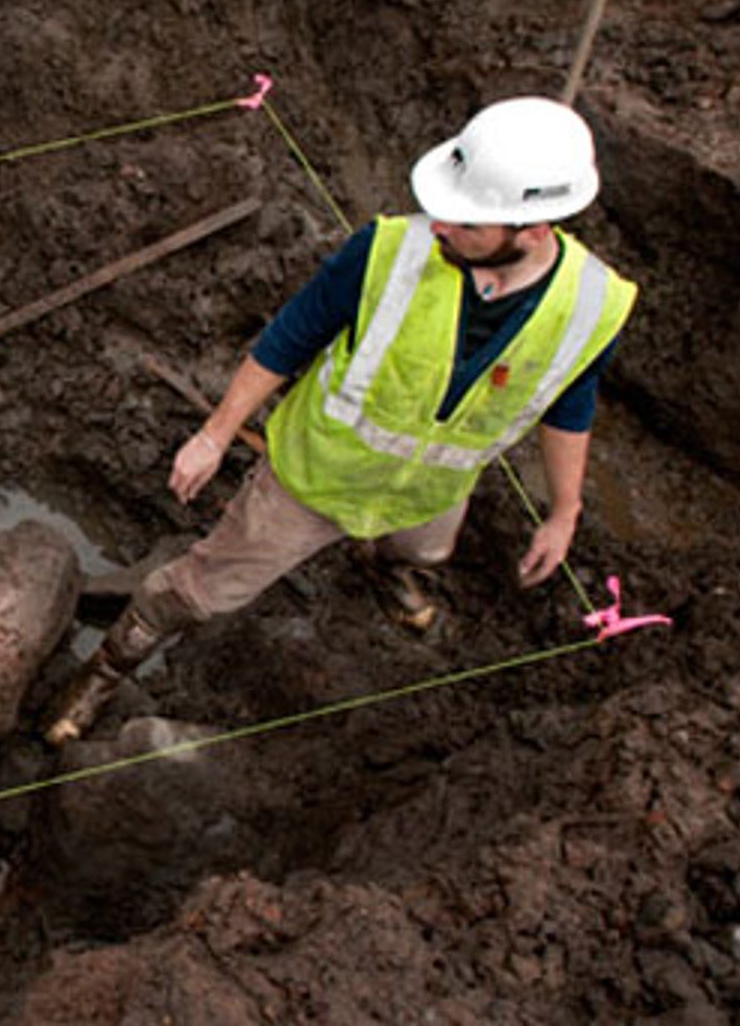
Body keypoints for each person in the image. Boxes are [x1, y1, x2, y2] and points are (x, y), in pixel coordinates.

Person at [45, 96, 637, 746]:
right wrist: (214, 435)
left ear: (530, 229)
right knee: (203, 590)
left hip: (431, 490)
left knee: (423, 549)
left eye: (464, 222)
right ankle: (109, 665)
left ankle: (393, 570)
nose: (439, 227)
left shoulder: (592, 305)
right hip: (314, 479)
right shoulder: (388, 252)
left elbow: (571, 405)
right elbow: (289, 338)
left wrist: (564, 513)